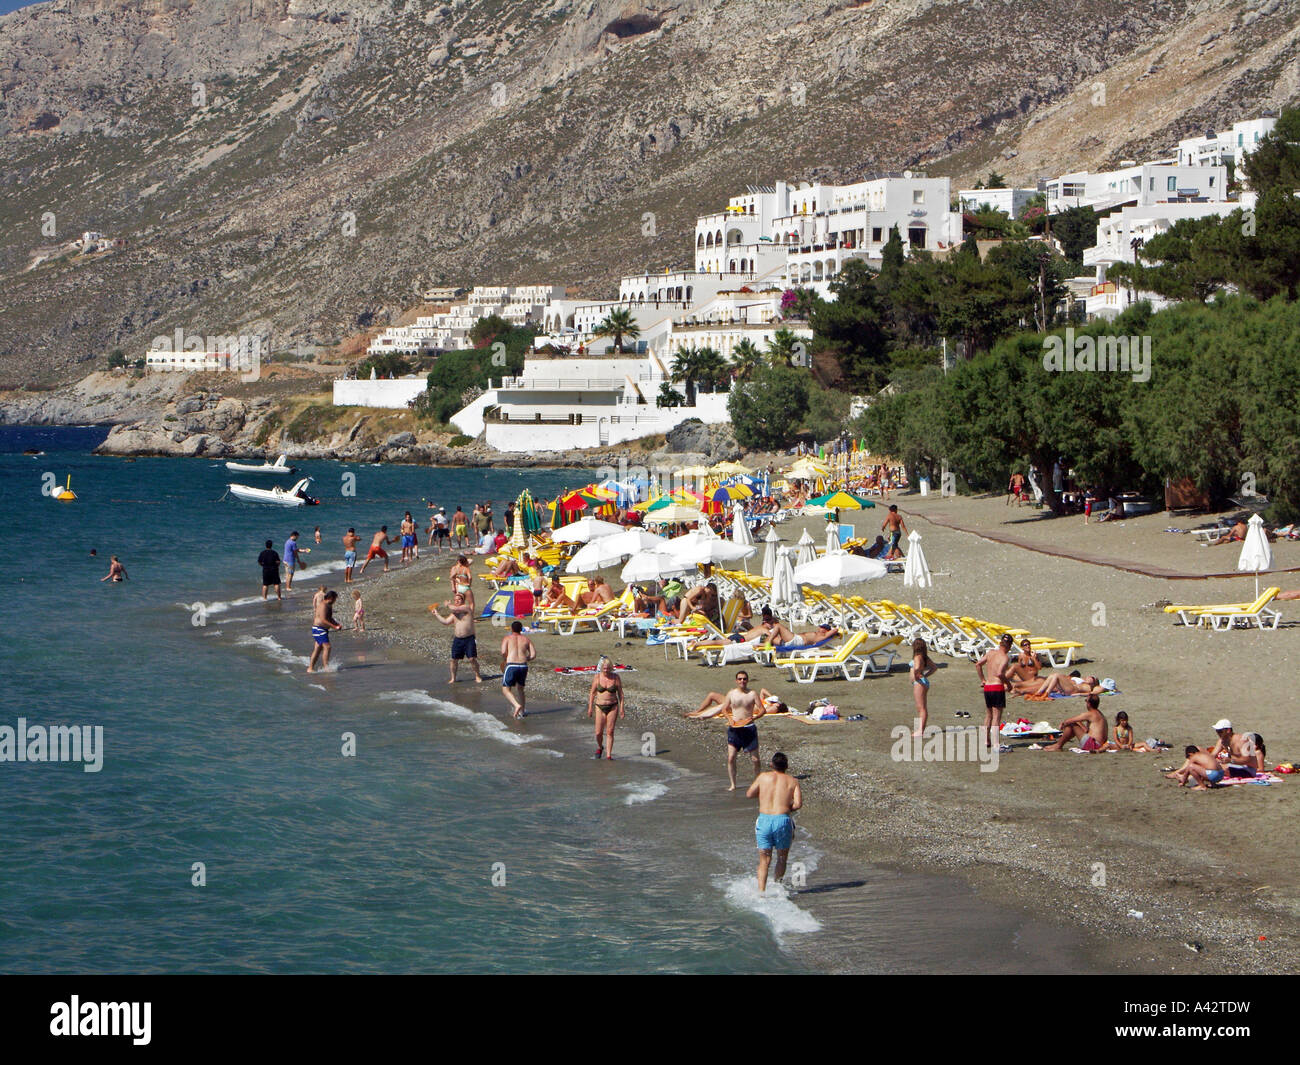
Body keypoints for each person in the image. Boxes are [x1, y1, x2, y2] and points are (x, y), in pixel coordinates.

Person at [691, 671, 768, 791]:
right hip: (734, 728)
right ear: (736, 681)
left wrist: (754, 718)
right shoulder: (731, 694)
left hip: (749, 728)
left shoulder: (752, 694)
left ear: (747, 680)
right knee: (731, 757)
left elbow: (763, 710)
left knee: (755, 759)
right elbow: (724, 709)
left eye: (744, 679)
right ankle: (733, 784)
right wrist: (730, 719)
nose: (742, 681)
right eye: (740, 679)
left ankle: (757, 784)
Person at [747, 751, 803, 894]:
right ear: (787, 766)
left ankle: (761, 892)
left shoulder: (763, 777)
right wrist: (785, 806)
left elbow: (749, 794)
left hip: (764, 819)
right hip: (782, 820)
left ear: (772, 765)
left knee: (764, 859)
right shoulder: (793, 781)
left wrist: (764, 797)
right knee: (782, 857)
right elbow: (798, 804)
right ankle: (778, 887)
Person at [429, 591, 482, 684]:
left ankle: (477, 675)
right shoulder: (454, 614)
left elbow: (456, 609)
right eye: (455, 600)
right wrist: (436, 614)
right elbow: (445, 622)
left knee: (472, 658)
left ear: (463, 600)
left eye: (459, 599)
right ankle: (453, 678)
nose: (456, 601)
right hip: (458, 639)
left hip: (469, 638)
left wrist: (448, 604)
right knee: (454, 659)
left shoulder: (467, 608)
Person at [975, 633, 1013, 751]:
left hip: (988, 687)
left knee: (989, 715)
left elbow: (978, 664)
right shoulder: (1005, 657)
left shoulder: (991, 653)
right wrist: (1008, 684)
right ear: (1009, 646)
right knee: (997, 717)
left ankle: (986, 740)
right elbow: (1000, 673)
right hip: (997, 687)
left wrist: (983, 680)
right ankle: (996, 743)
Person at [1039, 694, 1109, 751]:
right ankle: (1059, 744)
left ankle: (1058, 745)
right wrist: (1079, 723)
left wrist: (1063, 724)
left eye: (1086, 701)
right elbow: (1087, 730)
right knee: (1076, 723)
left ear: (1089, 704)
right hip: (1100, 745)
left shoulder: (1090, 714)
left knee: (1072, 724)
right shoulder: (1100, 714)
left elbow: (1069, 721)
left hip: (1093, 745)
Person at [587, 655, 625, 759]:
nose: (606, 670)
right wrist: (590, 707)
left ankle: (609, 755)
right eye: (604, 668)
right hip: (599, 706)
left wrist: (622, 708)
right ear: (601, 668)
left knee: (610, 731)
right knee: (598, 732)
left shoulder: (616, 678)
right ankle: (600, 747)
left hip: (613, 706)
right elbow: (592, 693)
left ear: (611, 668)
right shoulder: (597, 677)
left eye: (608, 668)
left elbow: (621, 694)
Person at [500, 620, 536, 720]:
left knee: (506, 689)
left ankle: (516, 705)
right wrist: (526, 658)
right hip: (523, 666)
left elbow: (503, 652)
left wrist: (506, 659)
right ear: (521, 629)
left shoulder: (507, 638)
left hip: (511, 665)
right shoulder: (526, 639)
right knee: (520, 689)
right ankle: (522, 711)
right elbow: (533, 655)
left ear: (511, 629)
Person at [308, 590, 343, 673]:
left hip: (322, 629)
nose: (335, 601)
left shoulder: (328, 605)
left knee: (318, 648)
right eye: (334, 599)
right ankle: (326, 667)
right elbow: (323, 619)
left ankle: (310, 668)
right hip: (318, 629)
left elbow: (329, 618)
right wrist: (334, 627)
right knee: (327, 647)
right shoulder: (323, 605)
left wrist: (337, 624)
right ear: (330, 598)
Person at [910, 637, 938, 736]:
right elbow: (934, 668)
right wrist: (925, 675)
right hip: (923, 681)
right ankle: (920, 729)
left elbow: (917, 667)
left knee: (921, 708)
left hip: (919, 683)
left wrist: (916, 675)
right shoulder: (925, 657)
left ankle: (920, 730)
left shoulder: (917, 657)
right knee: (922, 707)